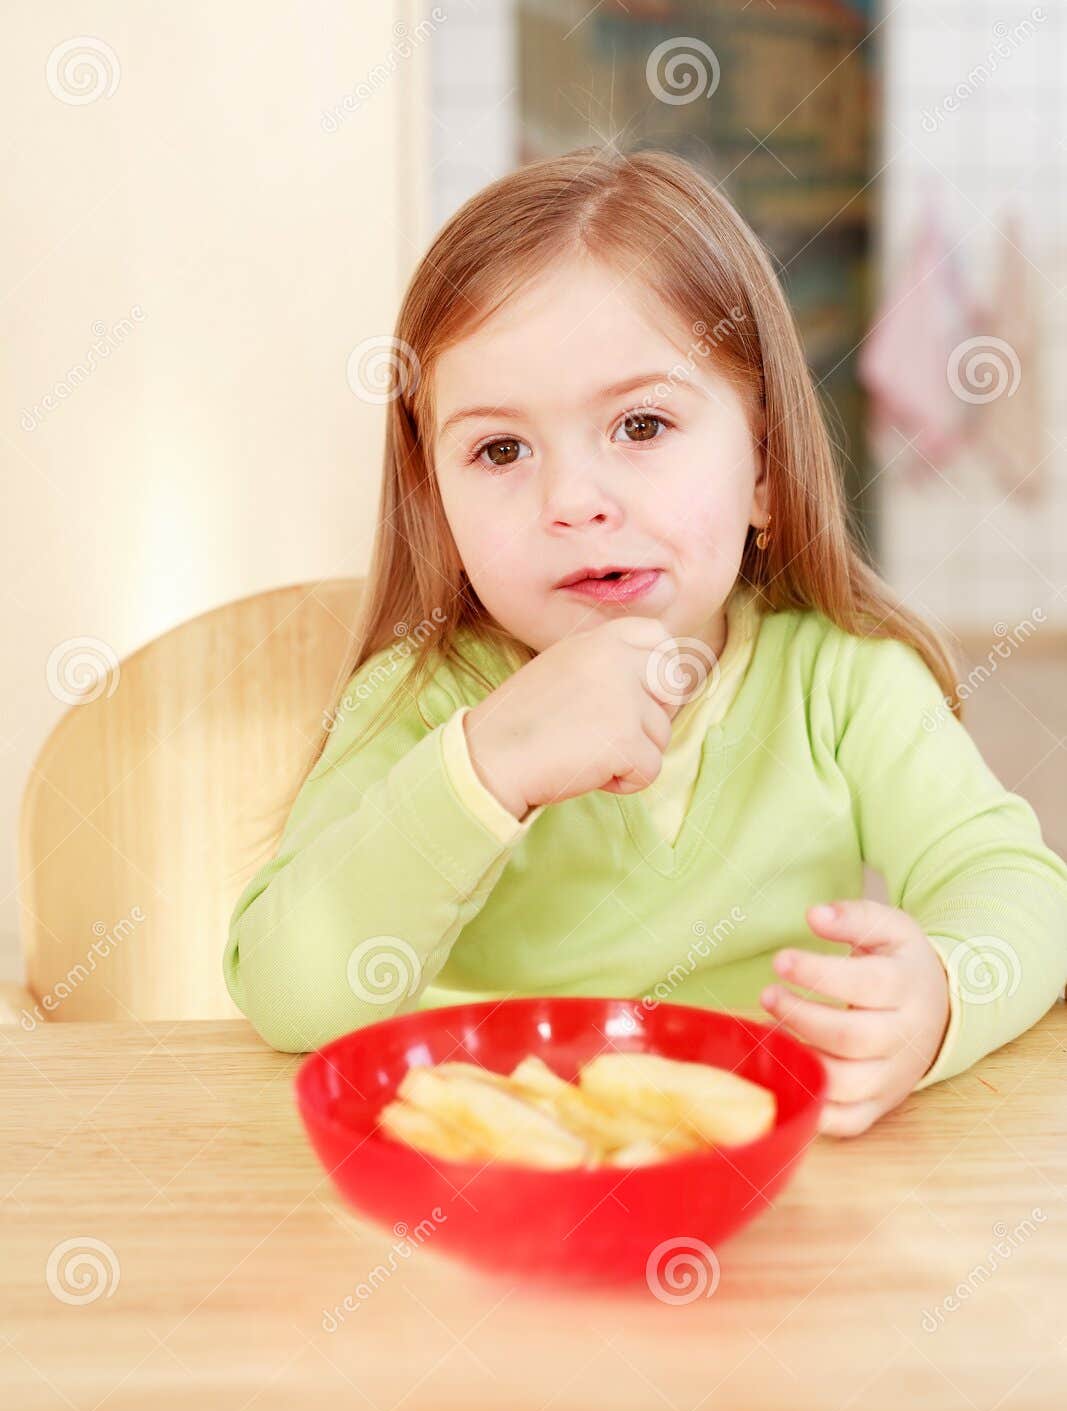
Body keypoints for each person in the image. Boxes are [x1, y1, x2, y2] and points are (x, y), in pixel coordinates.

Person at [223, 146, 1067, 1138]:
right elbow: (289, 991)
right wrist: (483, 766)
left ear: (761, 465)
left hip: (768, 1211)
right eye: (500, 449)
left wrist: (938, 1001)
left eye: (640, 424)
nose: (573, 501)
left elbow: (1016, 890)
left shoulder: (841, 685)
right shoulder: (422, 699)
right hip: (491, 1203)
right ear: (435, 501)